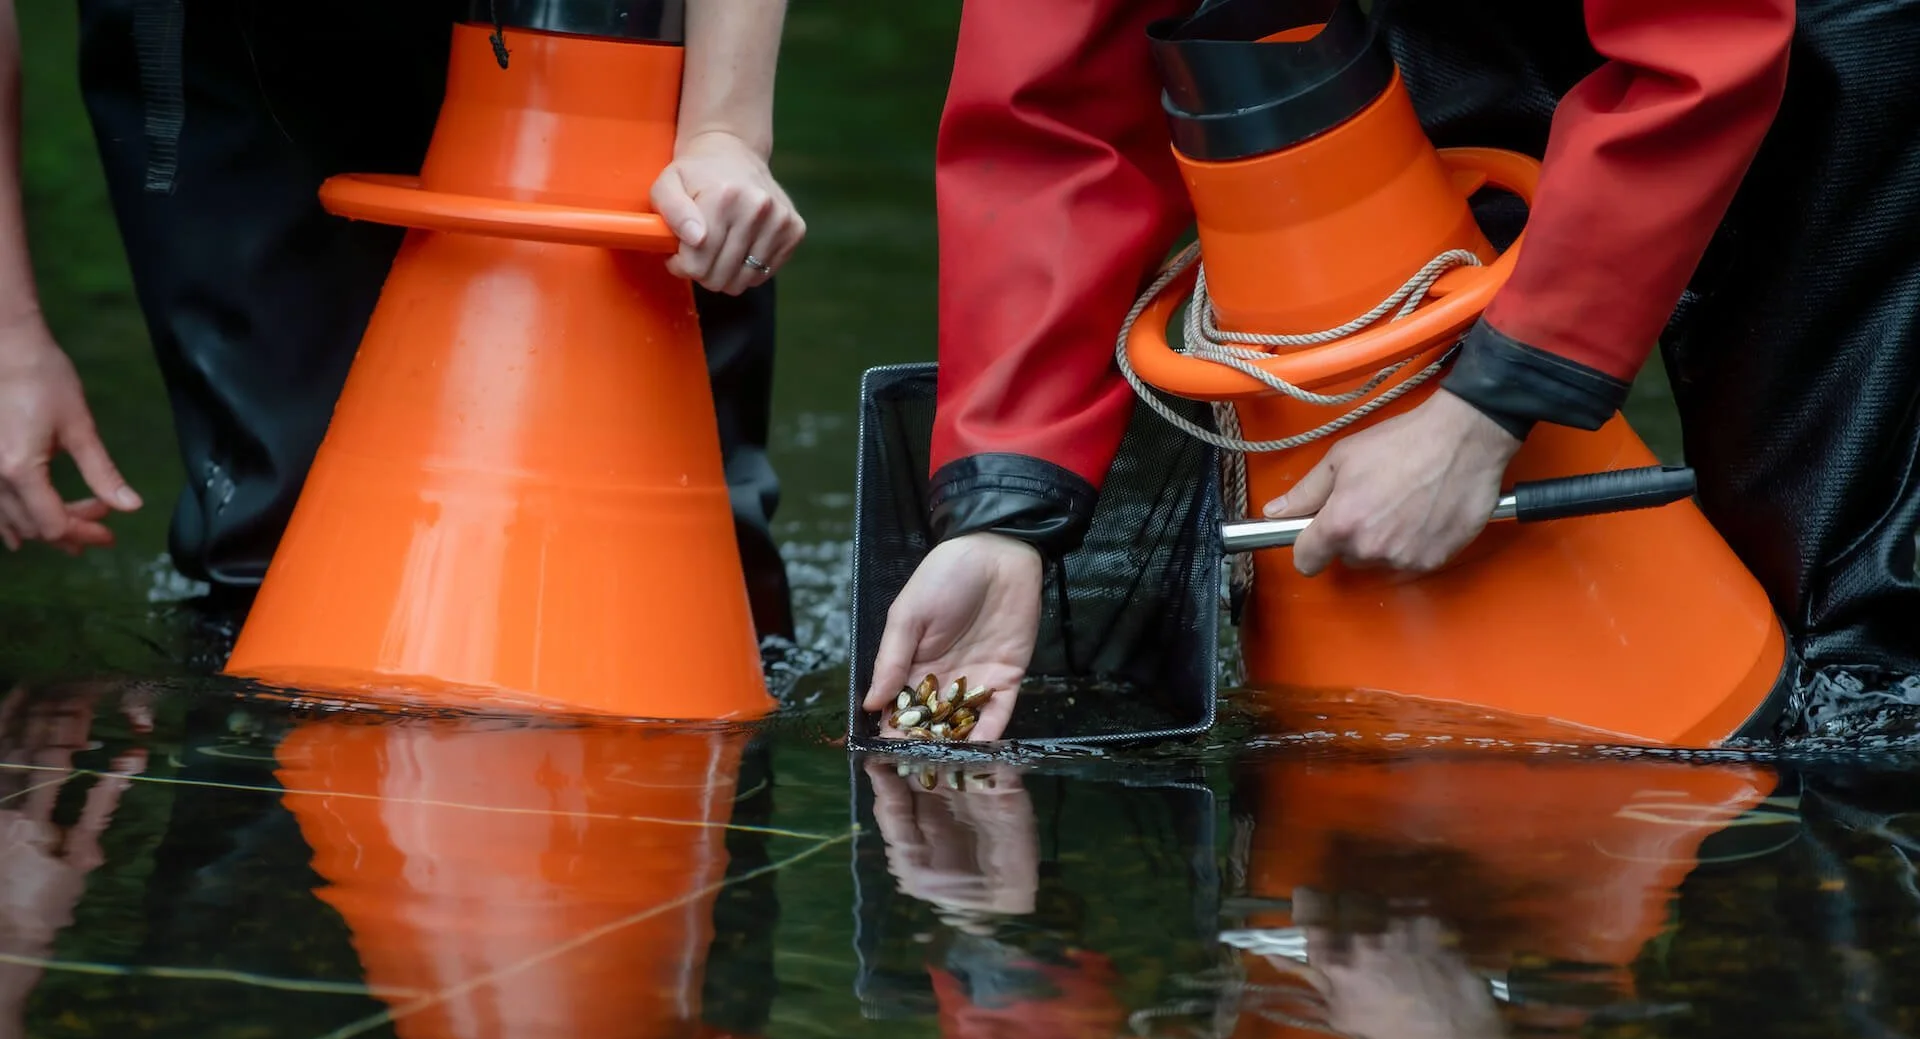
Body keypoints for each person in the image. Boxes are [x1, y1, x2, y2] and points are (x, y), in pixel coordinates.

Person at [862, 0, 1915, 743]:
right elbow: (1053, 117)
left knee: (1850, 638)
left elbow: (1706, 40)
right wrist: (1009, 510)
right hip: (1452, 23)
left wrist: (1492, 406)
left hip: (1799, 32)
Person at [0, 0, 805, 644]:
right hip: (226, 33)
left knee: (687, 562)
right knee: (277, 557)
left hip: (589, 26)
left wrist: (724, 132)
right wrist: (9, 333)